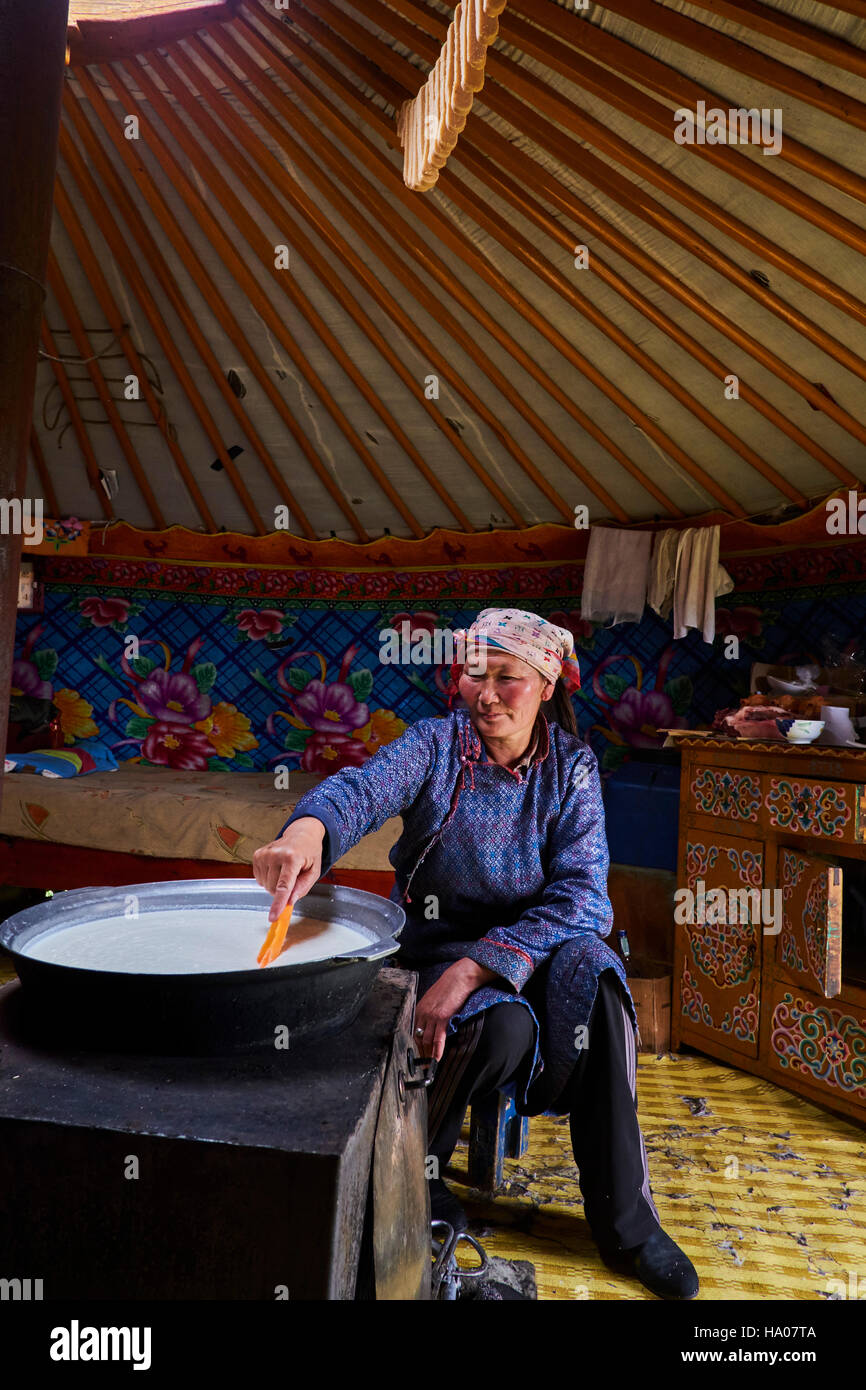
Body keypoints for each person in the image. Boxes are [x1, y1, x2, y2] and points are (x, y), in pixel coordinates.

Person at [253, 607, 699, 1300]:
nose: (484, 693)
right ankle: (416, 1187)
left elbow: (584, 899)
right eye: (472, 674)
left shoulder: (573, 768)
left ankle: (630, 1228)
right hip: (441, 942)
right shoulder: (435, 746)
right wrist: (309, 830)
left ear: (547, 684)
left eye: (506, 678)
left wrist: (478, 968)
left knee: (603, 987)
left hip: (542, 945)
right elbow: (359, 789)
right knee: (501, 1026)